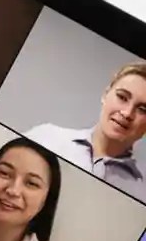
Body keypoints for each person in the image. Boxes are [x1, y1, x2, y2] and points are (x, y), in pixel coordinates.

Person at [23, 62, 146, 203]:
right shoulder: (46, 137)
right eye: (122, 97)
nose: (127, 113)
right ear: (105, 95)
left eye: (142, 109)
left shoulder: (142, 192)